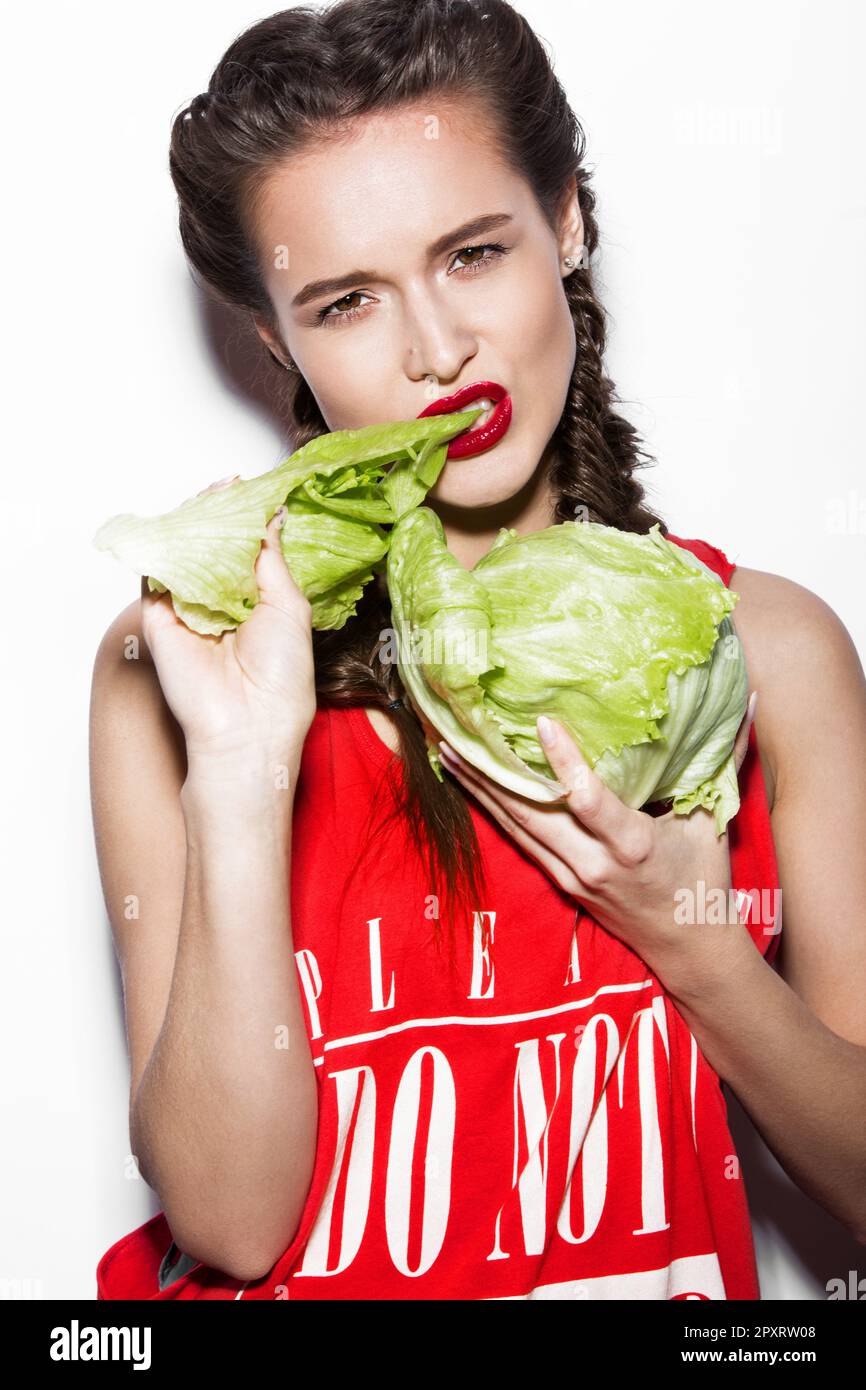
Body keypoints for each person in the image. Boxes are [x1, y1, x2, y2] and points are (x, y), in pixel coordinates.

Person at [90, 0, 866, 1301]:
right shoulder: (180, 664)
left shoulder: (764, 647)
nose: (436, 350)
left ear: (565, 221)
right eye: (345, 301)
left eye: (470, 254)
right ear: (275, 337)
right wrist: (239, 776)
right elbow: (226, 1220)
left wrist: (690, 936)